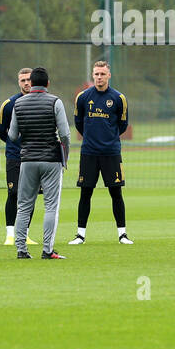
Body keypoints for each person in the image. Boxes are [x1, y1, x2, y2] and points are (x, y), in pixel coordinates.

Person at [8, 66, 71, 259]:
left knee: (24, 206)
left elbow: (12, 135)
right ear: (48, 84)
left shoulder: (18, 104)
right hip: (51, 160)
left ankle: (21, 250)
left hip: (27, 160)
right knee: (51, 205)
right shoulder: (55, 102)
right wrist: (64, 158)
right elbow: (65, 134)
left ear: (31, 83)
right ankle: (47, 250)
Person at [70, 60, 132, 245]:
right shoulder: (82, 97)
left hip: (111, 152)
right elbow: (78, 123)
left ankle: (122, 234)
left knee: (116, 192)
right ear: (92, 75)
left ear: (109, 75)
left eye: (102, 74)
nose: (99, 77)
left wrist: (109, 138)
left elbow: (122, 125)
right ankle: (80, 235)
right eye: (96, 74)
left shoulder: (119, 98)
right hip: (89, 152)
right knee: (85, 193)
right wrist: (92, 137)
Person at [0, 67, 39, 247]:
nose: (26, 83)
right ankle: (10, 234)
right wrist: (14, 143)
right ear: (18, 82)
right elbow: (2, 131)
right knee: (13, 193)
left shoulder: (41, 101)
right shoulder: (9, 104)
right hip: (15, 156)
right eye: (23, 80)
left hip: (34, 156)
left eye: (29, 79)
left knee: (30, 195)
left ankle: (26, 234)